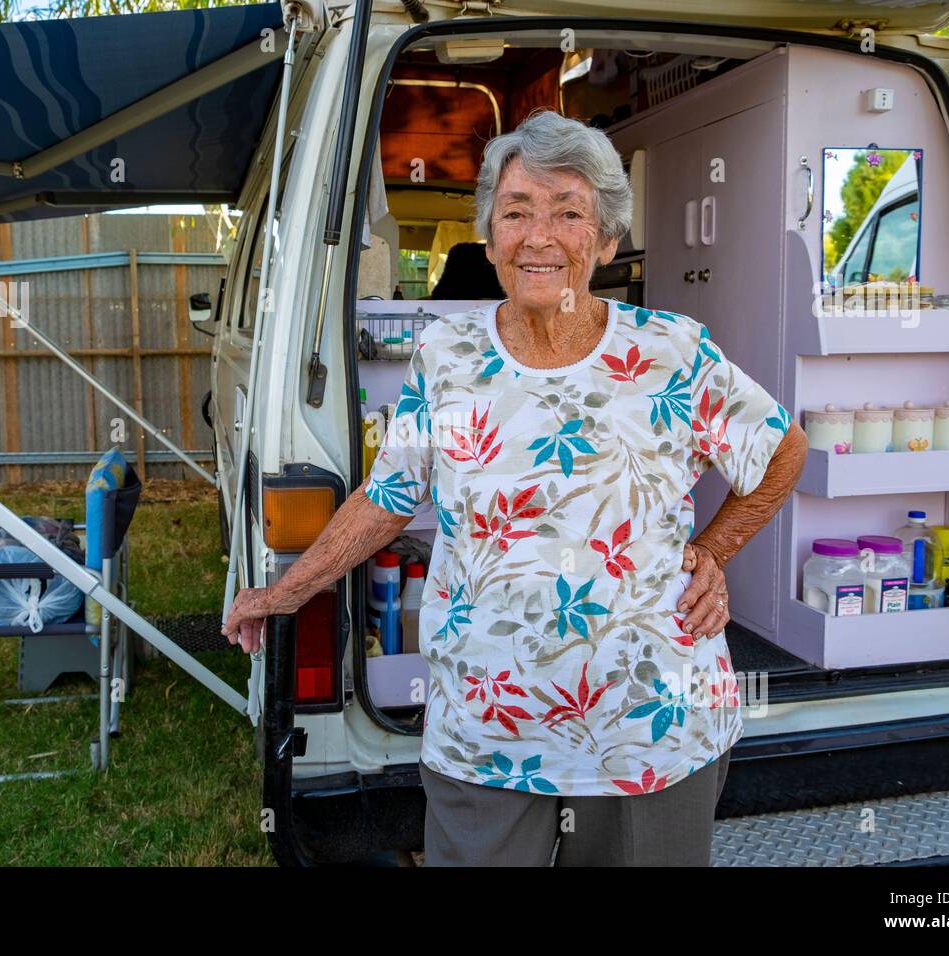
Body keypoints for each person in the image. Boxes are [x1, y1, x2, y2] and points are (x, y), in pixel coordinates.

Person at [222, 108, 807, 866]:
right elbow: (388, 496)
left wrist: (711, 550)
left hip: (649, 726)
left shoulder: (671, 352)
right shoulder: (447, 353)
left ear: (605, 239)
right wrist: (283, 591)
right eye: (517, 211)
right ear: (490, 236)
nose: (539, 236)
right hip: (487, 721)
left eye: (569, 213)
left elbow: (782, 447)